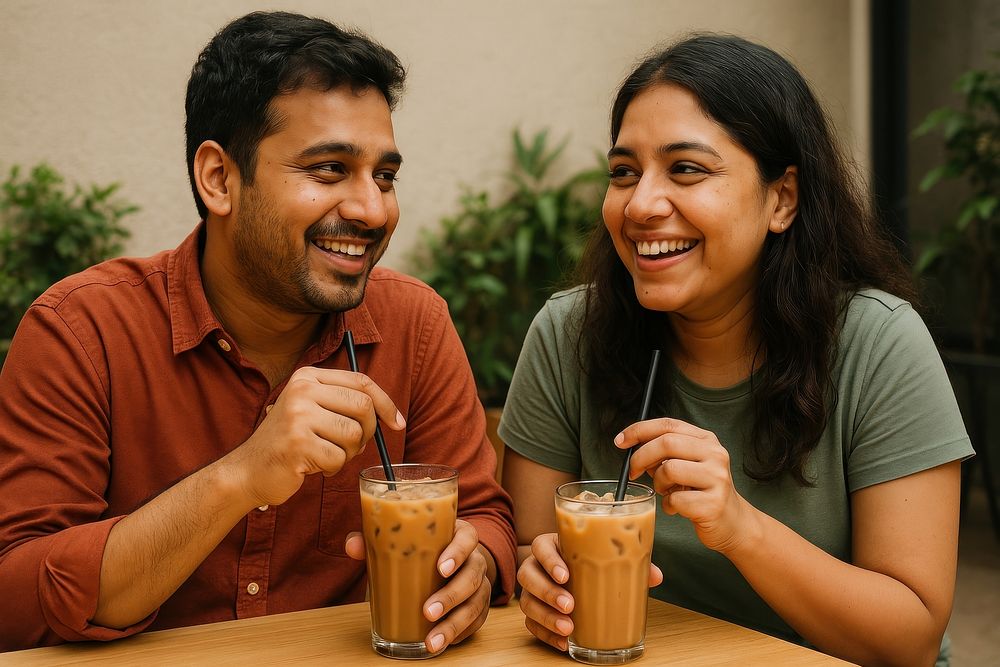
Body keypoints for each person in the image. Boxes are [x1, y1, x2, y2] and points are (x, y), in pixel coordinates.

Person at [0, 11, 515, 652]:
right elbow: (15, 599)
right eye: (328, 169)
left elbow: (483, 518)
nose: (372, 209)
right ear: (219, 178)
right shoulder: (81, 331)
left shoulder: (414, 324)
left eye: (384, 175)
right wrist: (240, 476)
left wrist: (477, 565)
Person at [500, 33, 973, 667]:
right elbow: (535, 547)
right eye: (623, 172)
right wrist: (542, 583)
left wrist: (738, 527)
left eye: (686, 169)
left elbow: (909, 639)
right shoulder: (568, 334)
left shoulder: (879, 342)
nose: (641, 204)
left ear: (782, 199)